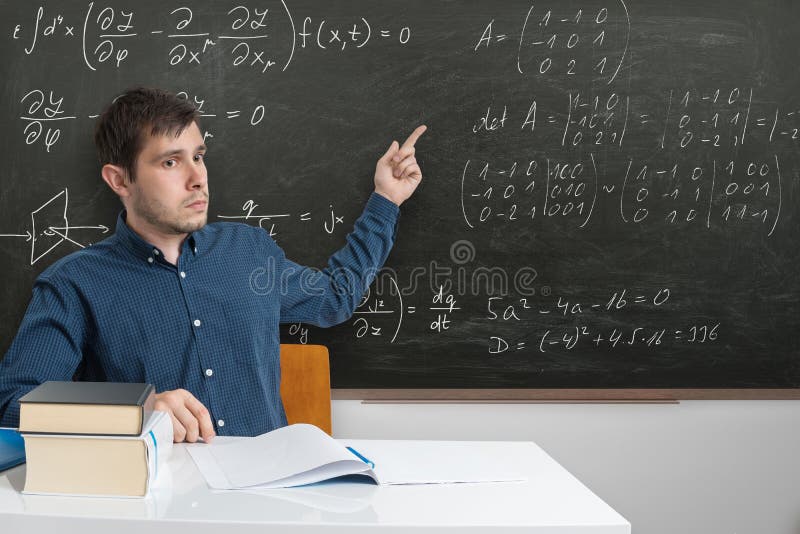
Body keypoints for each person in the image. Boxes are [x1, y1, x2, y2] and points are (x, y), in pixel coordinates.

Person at [0, 87, 426, 442]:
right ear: (120, 179)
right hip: (158, 501)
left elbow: (334, 297)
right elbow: (12, 406)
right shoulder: (74, 284)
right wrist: (137, 410)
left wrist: (385, 200)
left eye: (198, 156)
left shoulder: (248, 251)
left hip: (268, 494)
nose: (197, 176)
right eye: (170, 161)